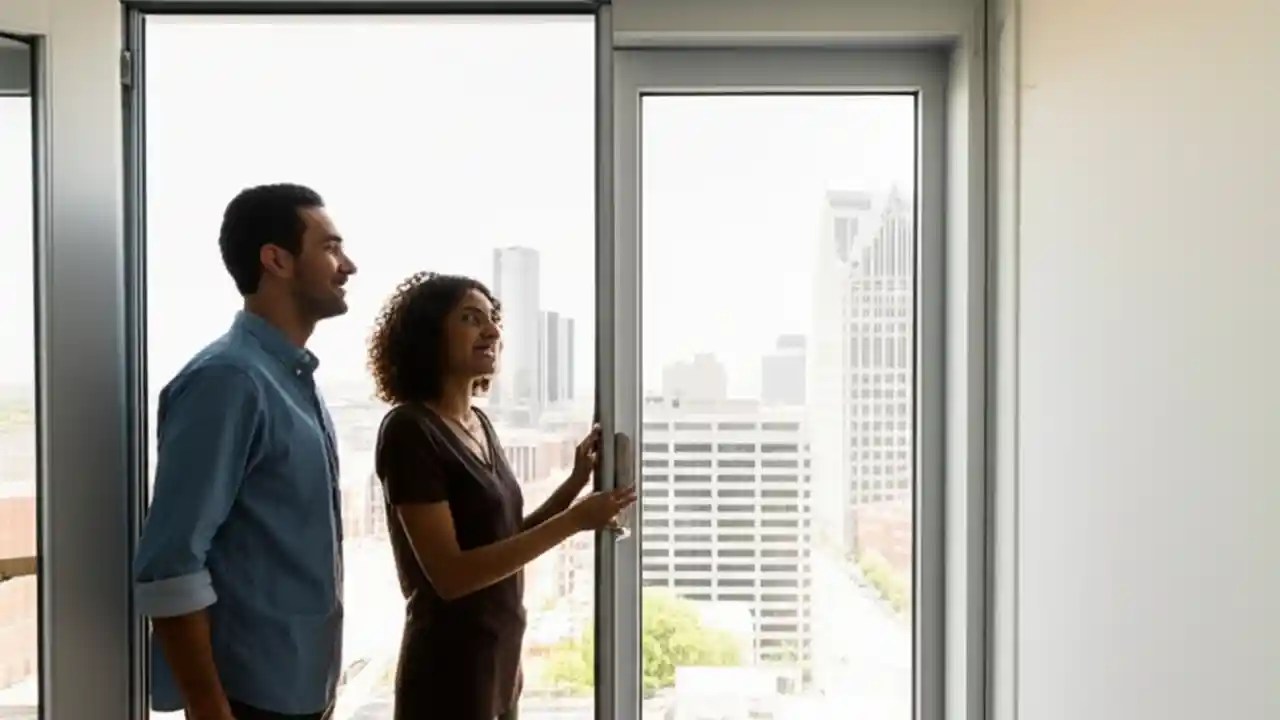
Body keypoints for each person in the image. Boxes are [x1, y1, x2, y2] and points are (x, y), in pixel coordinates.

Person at [133, 183, 358, 720]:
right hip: (248, 702)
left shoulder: (292, 379)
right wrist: (210, 709)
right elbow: (170, 564)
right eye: (330, 247)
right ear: (276, 259)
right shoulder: (229, 382)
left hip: (301, 694)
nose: (348, 265)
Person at [368, 271, 636, 720]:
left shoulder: (479, 426)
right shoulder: (410, 431)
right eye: (472, 319)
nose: (492, 331)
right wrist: (574, 520)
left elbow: (505, 540)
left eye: (493, 320)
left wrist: (573, 486)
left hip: (499, 660)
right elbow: (450, 576)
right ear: (430, 334)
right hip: (448, 674)